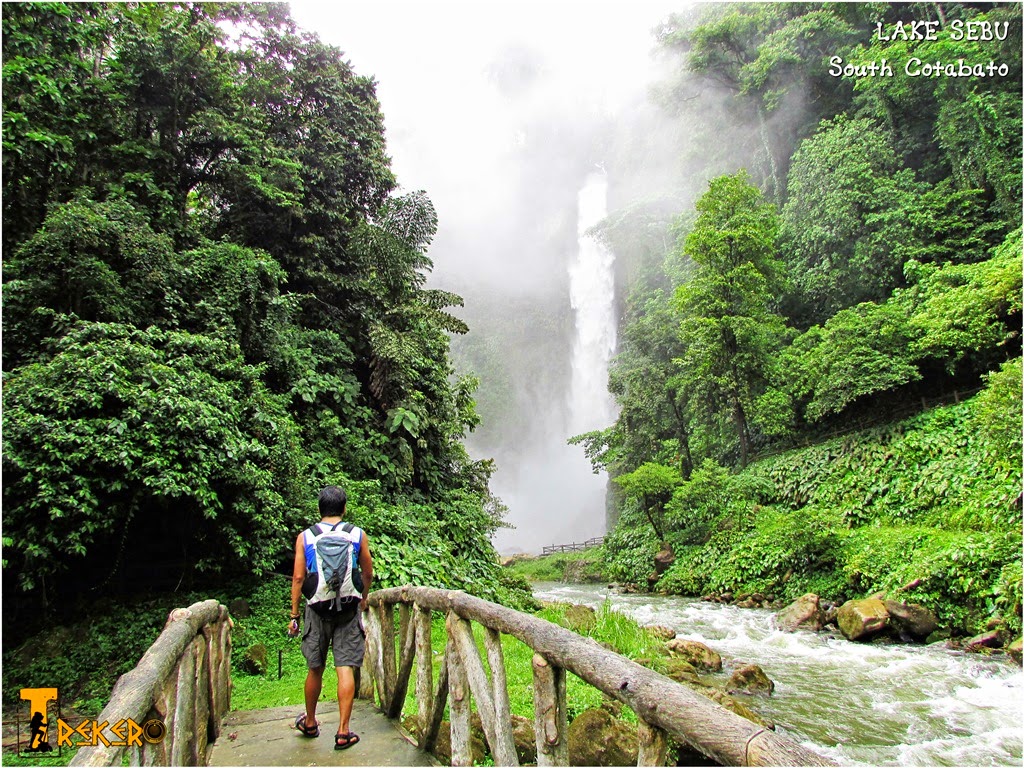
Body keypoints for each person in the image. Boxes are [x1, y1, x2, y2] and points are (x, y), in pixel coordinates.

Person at [288, 485, 373, 751]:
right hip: (348, 608)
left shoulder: (306, 537)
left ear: (319, 509)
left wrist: (293, 614)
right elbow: (368, 572)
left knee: (315, 667)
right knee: (344, 666)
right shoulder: (357, 534)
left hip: (316, 608)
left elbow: (299, 577)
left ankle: (311, 721)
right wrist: (364, 597)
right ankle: (343, 731)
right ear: (344, 508)